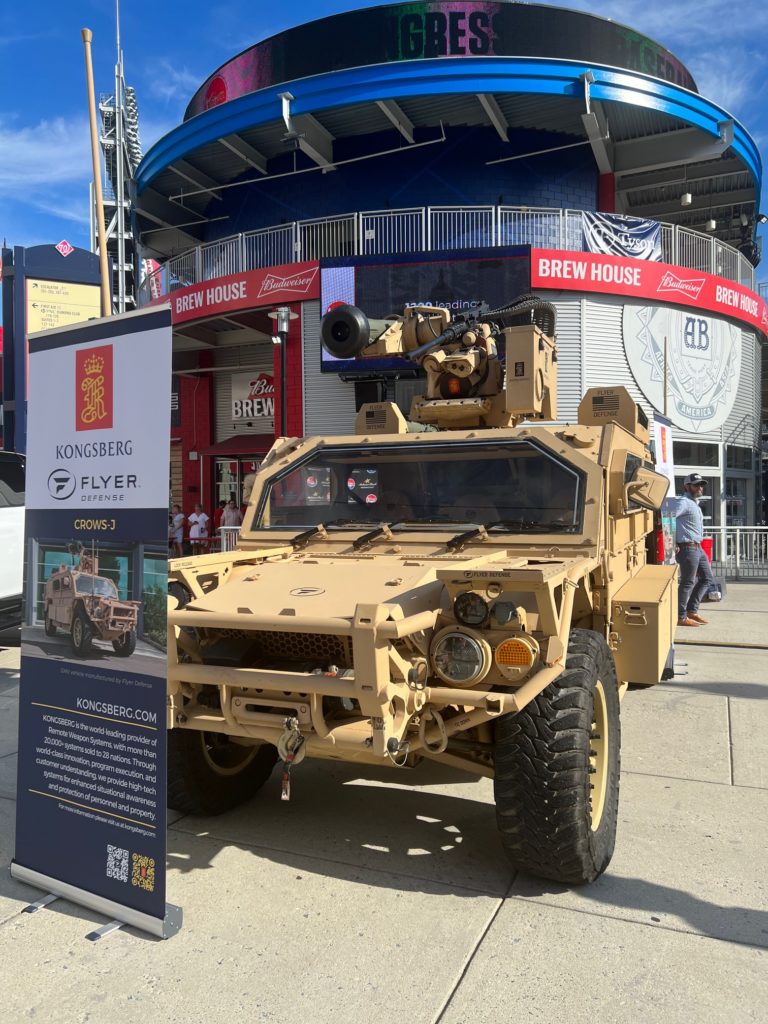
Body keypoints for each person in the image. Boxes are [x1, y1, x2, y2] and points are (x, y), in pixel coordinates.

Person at [671, 473, 715, 627]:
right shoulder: (683, 502)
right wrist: (672, 541)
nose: (700, 487)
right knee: (687, 582)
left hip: (698, 547)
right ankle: (680, 616)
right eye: (696, 485)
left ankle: (691, 610)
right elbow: (668, 517)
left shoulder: (693, 503)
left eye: (701, 485)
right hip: (688, 547)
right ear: (686, 486)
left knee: (707, 578)